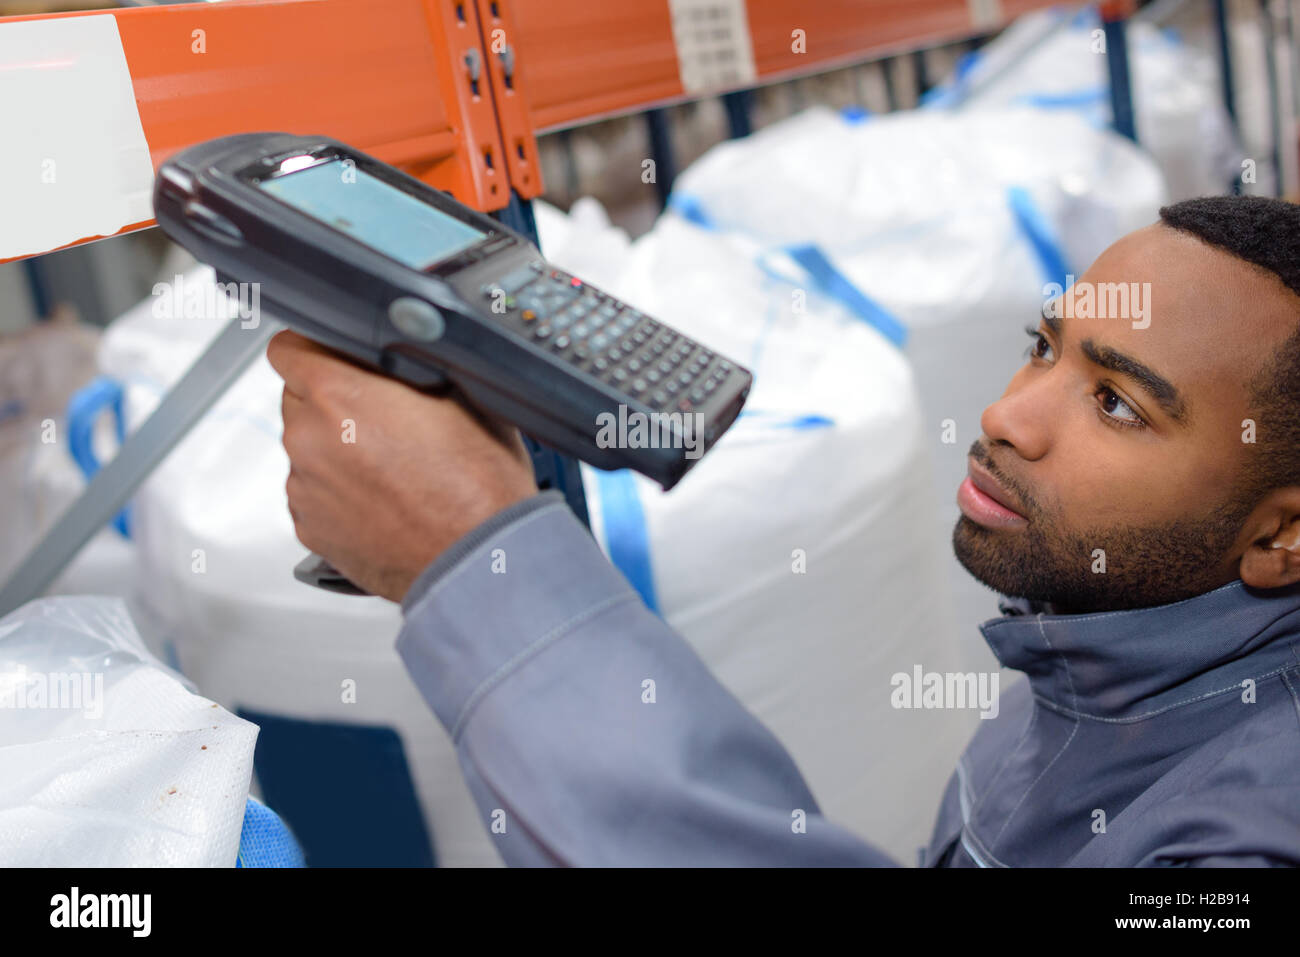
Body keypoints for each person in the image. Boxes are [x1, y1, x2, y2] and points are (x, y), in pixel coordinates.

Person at [266, 195, 1300, 866]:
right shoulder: (1100, 653)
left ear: (1281, 539)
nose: (1006, 416)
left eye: (1118, 404)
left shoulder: (1250, 843)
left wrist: (480, 559)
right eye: (1044, 347)